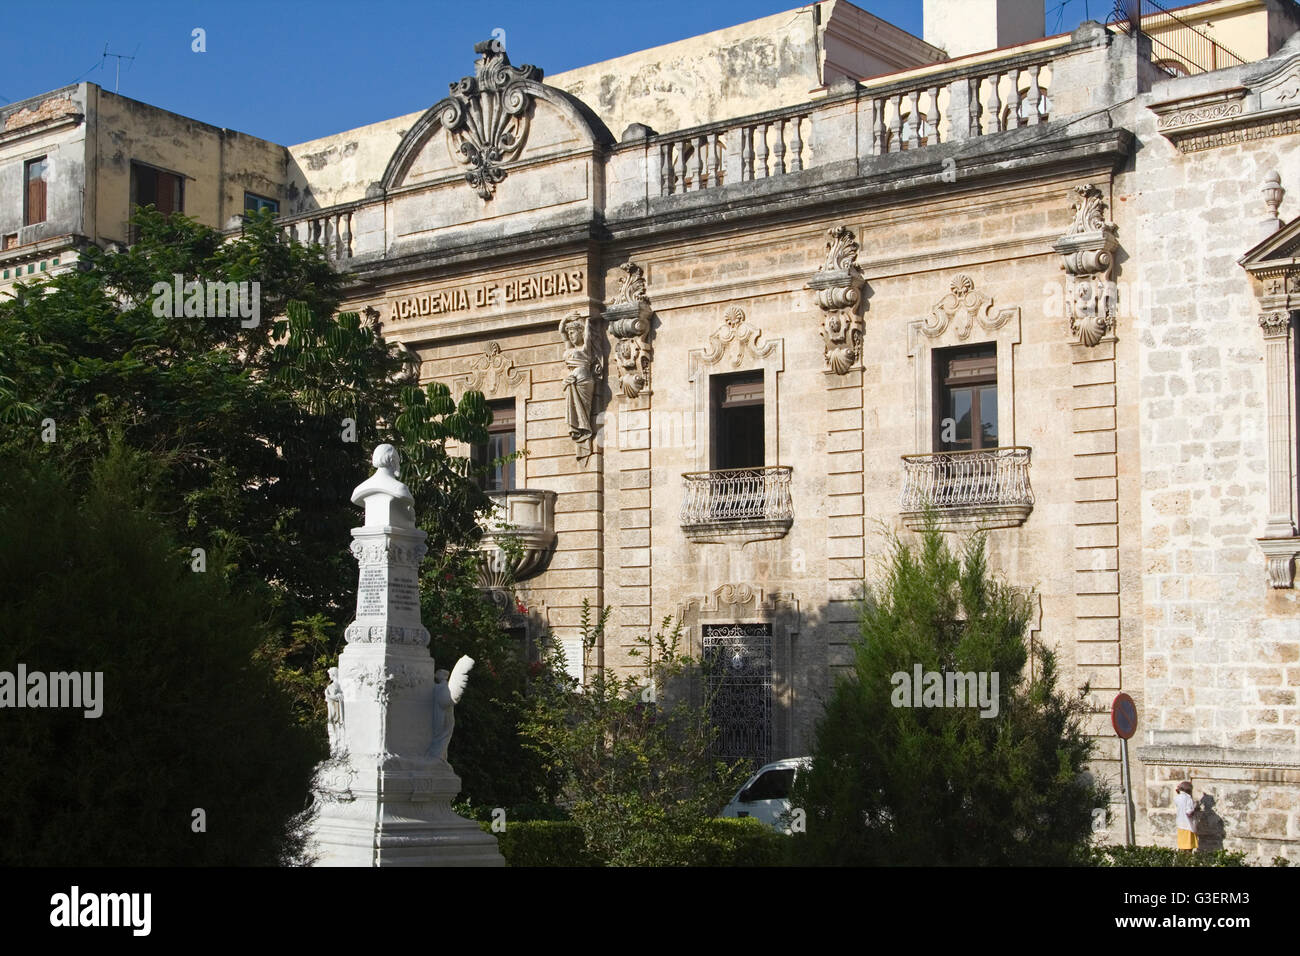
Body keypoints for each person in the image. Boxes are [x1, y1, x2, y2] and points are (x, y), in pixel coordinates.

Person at [1174, 780, 1199, 851]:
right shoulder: (1188, 799)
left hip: (1180, 824)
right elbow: (1189, 812)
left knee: (1182, 846)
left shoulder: (1177, 798)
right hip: (1187, 825)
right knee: (1188, 847)